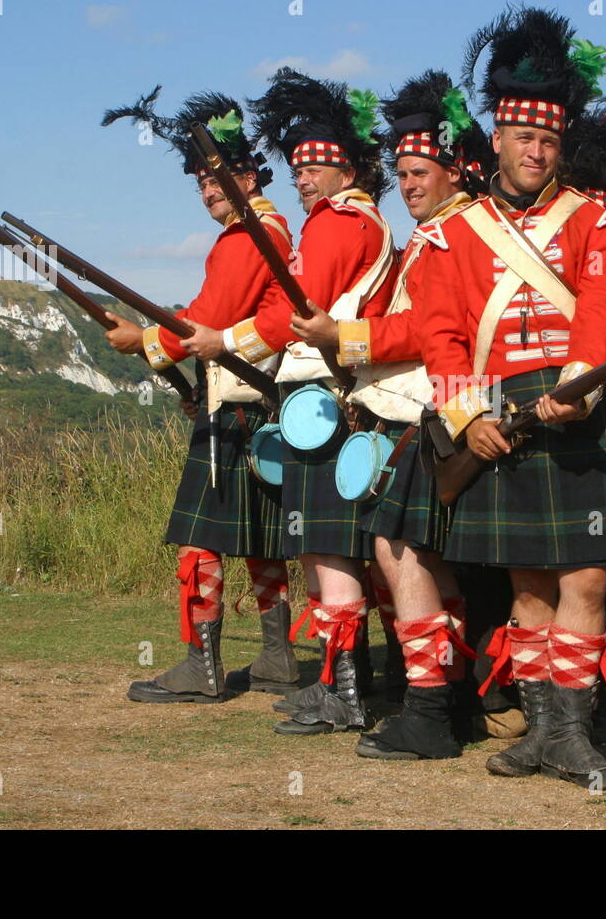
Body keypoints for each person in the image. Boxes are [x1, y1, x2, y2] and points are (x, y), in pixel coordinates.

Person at [416, 8, 606, 791]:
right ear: (497, 138)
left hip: (576, 402)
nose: (536, 151)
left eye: (549, 140)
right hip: (498, 410)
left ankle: (570, 733)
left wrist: (579, 384)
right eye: (524, 137)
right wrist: (468, 418)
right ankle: (543, 733)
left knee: (587, 579)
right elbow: (440, 334)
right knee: (527, 584)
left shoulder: (592, 220)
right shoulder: (457, 233)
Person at [180, 70, 397, 734]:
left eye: (313, 168)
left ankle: (345, 691)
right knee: (328, 551)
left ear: (346, 170)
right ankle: (340, 681)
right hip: (320, 397)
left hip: (322, 402)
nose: (302, 180)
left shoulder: (337, 224)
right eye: (298, 168)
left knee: (328, 552)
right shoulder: (346, 221)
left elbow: (292, 313)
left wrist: (218, 340)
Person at [290, 69, 493, 759]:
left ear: (455, 170)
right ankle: (450, 699)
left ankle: (432, 710)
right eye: (402, 173)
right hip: (422, 407)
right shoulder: (437, 232)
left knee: (400, 552)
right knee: (415, 556)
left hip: (429, 409)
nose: (407, 185)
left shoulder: (456, 233)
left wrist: (343, 337)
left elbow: (431, 329)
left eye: (419, 172)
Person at [100, 87, 296, 704]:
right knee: (261, 538)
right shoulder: (265, 229)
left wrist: (142, 340)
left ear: (247, 177)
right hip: (249, 399)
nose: (209, 192)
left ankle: (202, 667)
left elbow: (210, 318)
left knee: (201, 537)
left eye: (217, 180)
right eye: (202, 184)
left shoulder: (249, 235)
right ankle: (278, 658)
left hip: (240, 405)